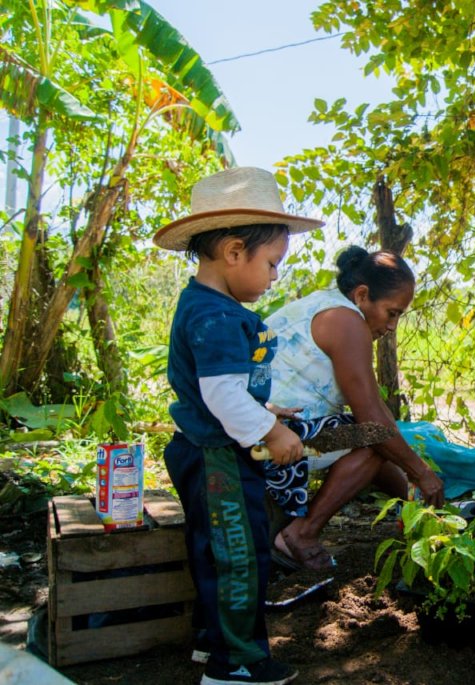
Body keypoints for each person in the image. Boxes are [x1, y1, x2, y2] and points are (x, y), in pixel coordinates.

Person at [156, 167, 322, 685]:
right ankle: (238, 665)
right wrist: (272, 435)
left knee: (216, 550)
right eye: (272, 264)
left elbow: (218, 388)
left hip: (205, 450)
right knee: (241, 557)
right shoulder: (219, 318)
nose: (274, 277)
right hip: (219, 461)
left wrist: (265, 412)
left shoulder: (207, 307)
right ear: (233, 252)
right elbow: (223, 393)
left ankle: (214, 642)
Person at [263, 246, 446, 570]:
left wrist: (414, 495)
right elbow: (373, 424)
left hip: (265, 426)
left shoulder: (329, 305)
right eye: (392, 313)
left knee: (378, 437)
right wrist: (422, 473)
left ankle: (414, 509)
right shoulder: (346, 321)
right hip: (274, 435)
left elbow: (374, 414)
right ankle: (301, 534)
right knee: (374, 436)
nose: (392, 326)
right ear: (362, 295)